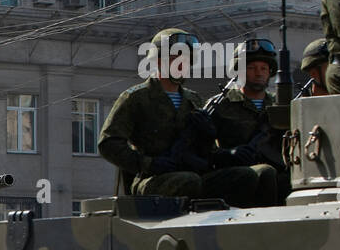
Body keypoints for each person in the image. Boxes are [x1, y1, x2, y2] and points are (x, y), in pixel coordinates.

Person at [98, 28, 271, 207]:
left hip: (192, 173)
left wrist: (215, 143)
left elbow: (207, 153)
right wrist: (149, 164)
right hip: (152, 179)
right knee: (189, 180)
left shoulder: (193, 99)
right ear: (158, 60)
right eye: (175, 58)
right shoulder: (136, 98)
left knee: (246, 175)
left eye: (187, 59)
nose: (182, 64)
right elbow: (108, 143)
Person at [206, 39, 288, 204]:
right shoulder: (221, 104)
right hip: (235, 174)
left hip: (276, 171)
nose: (259, 73)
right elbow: (202, 147)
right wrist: (227, 154)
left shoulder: (279, 106)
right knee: (265, 173)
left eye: (264, 68)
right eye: (251, 68)